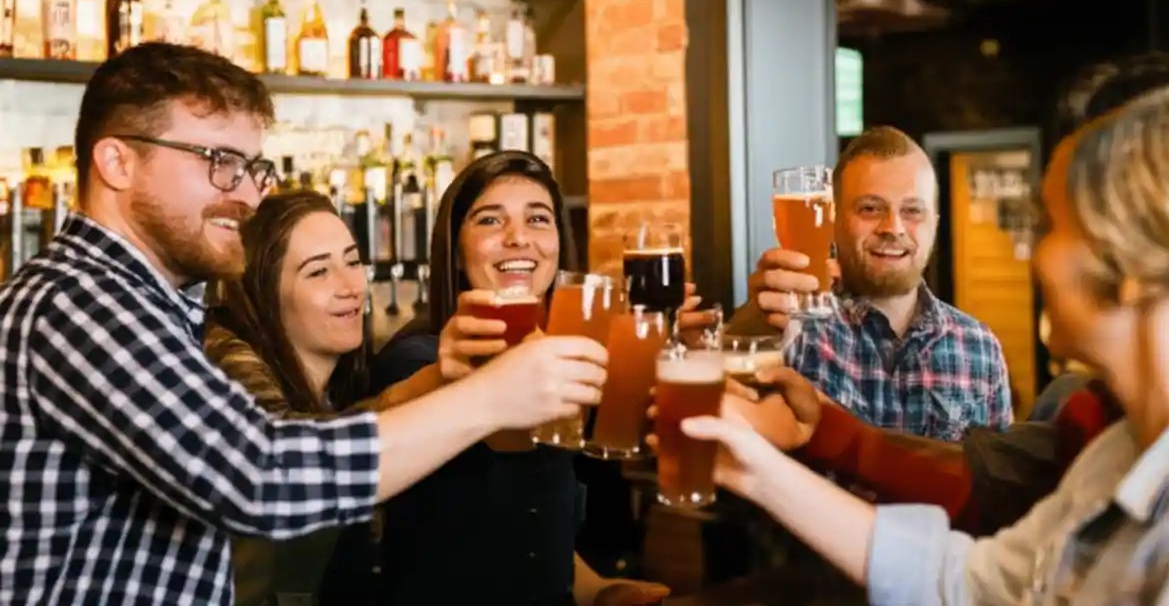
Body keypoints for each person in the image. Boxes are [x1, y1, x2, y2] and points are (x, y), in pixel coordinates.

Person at [0, 44, 609, 605]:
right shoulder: (78, 303)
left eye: (251, 168)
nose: (245, 194)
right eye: (218, 162)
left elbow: (277, 446)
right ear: (117, 161)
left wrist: (438, 386)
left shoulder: (149, 306)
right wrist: (492, 396)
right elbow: (258, 474)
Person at [684, 83, 1169, 602]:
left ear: (1134, 265)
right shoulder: (1120, 451)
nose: (1032, 258)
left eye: (1047, 227)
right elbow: (971, 584)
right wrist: (759, 466)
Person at [373, 151, 674, 606]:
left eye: (538, 219)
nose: (518, 238)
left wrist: (600, 591)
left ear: (558, 242)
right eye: (490, 221)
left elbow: (527, 529)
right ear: (455, 250)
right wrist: (440, 379)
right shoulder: (418, 360)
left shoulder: (557, 362)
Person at [205, 189, 430, 605]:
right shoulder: (228, 366)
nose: (350, 286)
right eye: (318, 272)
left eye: (353, 261)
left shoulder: (341, 389)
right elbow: (286, 452)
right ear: (265, 293)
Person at [731, 126, 1012, 441]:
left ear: (934, 224)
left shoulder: (980, 348)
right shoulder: (791, 330)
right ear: (832, 219)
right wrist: (752, 323)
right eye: (870, 208)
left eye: (912, 211)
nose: (893, 227)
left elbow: (997, 485)